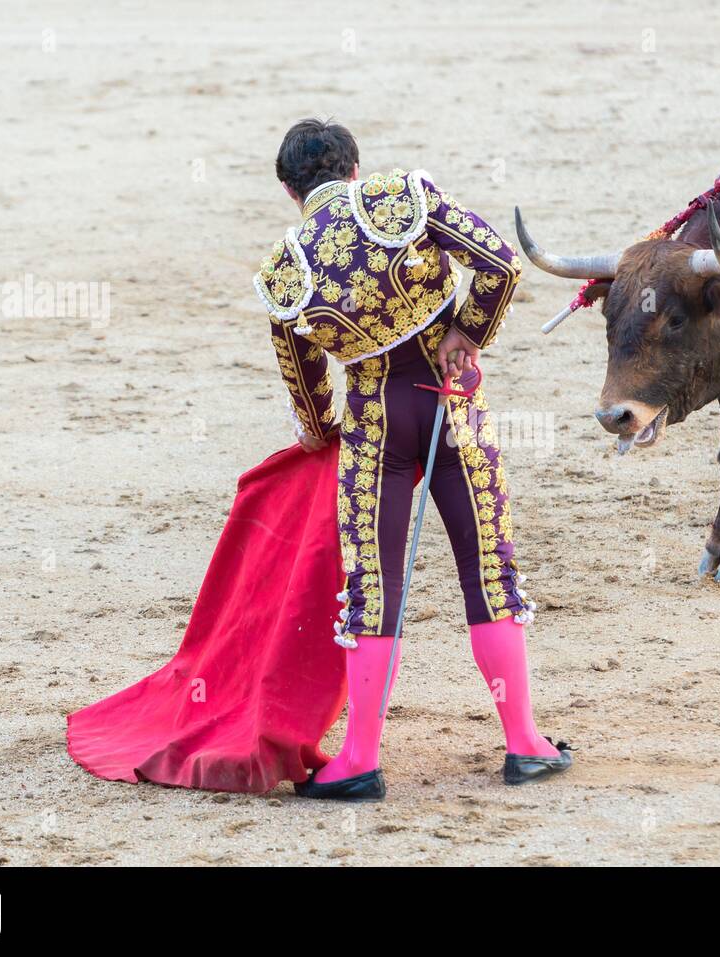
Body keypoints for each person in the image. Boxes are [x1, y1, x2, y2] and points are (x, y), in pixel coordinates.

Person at [254, 118, 572, 801]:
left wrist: (318, 433)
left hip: (374, 422)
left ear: (289, 190)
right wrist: (465, 333)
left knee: (376, 588)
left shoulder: (284, 269)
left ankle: (361, 757)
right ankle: (524, 743)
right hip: (449, 401)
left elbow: (307, 394)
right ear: (355, 167)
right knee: (488, 570)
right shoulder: (398, 197)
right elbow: (499, 263)